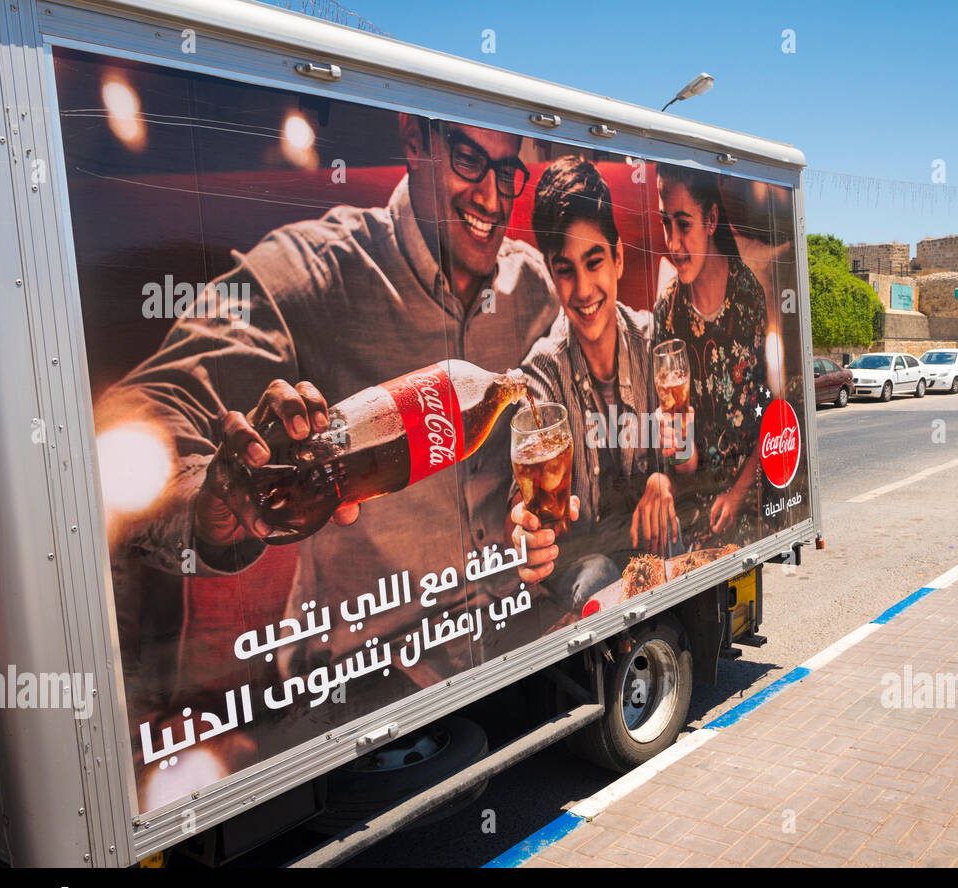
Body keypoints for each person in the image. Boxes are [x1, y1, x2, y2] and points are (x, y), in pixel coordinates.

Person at [97, 115, 560, 700]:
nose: (492, 197)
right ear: (414, 141)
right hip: (363, 675)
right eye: (469, 159)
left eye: (507, 171)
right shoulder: (317, 273)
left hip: (511, 636)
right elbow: (141, 410)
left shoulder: (536, 288)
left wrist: (538, 509)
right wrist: (210, 504)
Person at [508, 156, 682, 609]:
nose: (584, 290)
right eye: (566, 270)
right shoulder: (541, 371)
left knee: (675, 538)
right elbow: (523, 493)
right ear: (551, 272)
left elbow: (686, 448)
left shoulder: (652, 344)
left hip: (647, 548)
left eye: (594, 262)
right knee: (600, 575)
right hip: (582, 565)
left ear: (618, 258)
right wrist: (525, 529)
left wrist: (665, 480)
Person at [652, 163, 768, 549]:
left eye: (683, 224)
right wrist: (674, 440)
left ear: (711, 219)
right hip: (697, 513)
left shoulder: (749, 296)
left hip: (751, 497)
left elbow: (771, 415)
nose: (673, 242)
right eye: (665, 224)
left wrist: (736, 496)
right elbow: (684, 461)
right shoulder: (666, 311)